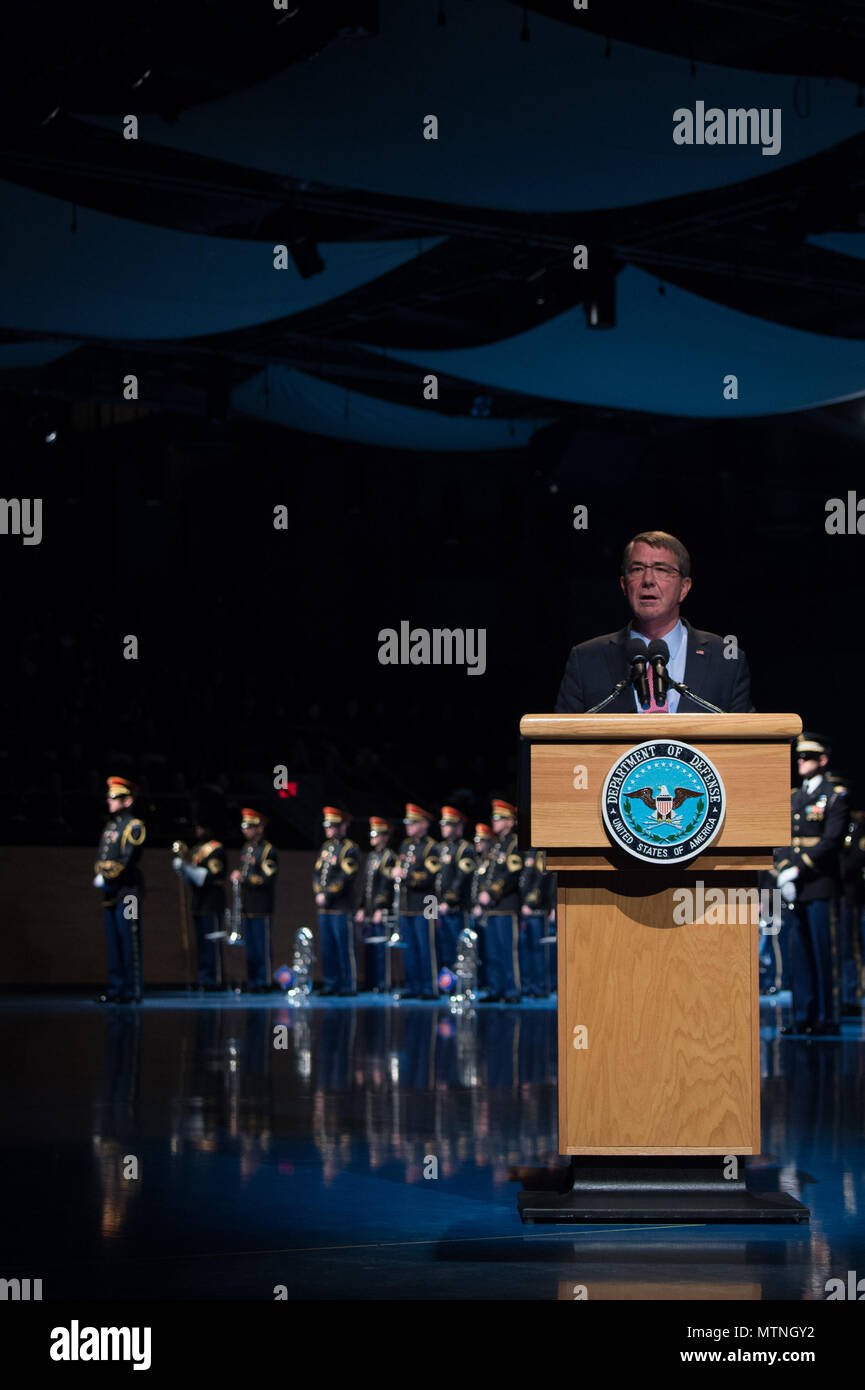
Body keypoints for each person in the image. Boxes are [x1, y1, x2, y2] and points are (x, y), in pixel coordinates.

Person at [554, 530, 751, 713]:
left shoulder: (725, 659)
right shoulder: (586, 659)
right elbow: (559, 742)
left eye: (661, 569)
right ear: (624, 585)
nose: (648, 580)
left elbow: (749, 742)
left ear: (684, 587)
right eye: (637, 569)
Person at [776, 735, 849, 1037]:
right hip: (794, 884)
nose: (801, 761)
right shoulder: (793, 797)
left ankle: (825, 1017)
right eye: (799, 757)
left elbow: (831, 840)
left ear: (823, 761)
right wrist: (782, 869)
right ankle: (801, 1015)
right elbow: (780, 837)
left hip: (819, 882)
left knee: (822, 951)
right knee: (798, 953)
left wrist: (797, 868)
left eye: (807, 757)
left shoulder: (835, 795)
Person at [93, 776, 146, 1004]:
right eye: (109, 797)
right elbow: (102, 857)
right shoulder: (110, 827)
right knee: (113, 942)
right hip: (111, 893)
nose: (110, 801)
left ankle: (132, 989)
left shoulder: (134, 826)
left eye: (115, 797)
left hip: (129, 894)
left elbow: (128, 859)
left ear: (127, 800)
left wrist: (106, 875)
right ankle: (116, 988)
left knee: (129, 940)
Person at [392, 804, 441, 1000]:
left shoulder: (432, 847)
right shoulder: (405, 845)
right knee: (409, 947)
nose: (409, 827)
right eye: (408, 823)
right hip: (407, 903)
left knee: (426, 946)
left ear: (423, 824)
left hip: (427, 902)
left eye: (413, 823)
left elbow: (429, 875)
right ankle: (412, 986)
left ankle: (430, 988)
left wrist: (406, 875)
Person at [478, 799, 523, 1004]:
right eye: (494, 818)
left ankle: (512, 991)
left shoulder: (515, 843)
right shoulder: (497, 846)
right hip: (493, 908)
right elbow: (488, 874)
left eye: (499, 818)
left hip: (506, 905)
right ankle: (496, 989)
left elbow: (513, 875)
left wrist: (492, 893)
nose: (494, 822)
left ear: (510, 821)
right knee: (493, 952)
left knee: (507, 951)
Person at [173, 821, 226, 990]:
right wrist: (183, 870)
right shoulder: (196, 850)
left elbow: (210, 876)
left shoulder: (216, 850)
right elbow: (192, 880)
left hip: (212, 901)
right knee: (201, 944)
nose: (198, 830)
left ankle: (215, 979)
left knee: (212, 943)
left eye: (201, 826)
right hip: (198, 901)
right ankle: (204, 978)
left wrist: (186, 868)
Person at [314, 806, 360, 996]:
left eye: (332, 825)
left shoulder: (350, 849)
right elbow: (317, 873)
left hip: (341, 906)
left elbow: (345, 876)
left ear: (342, 827)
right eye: (327, 825)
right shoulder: (326, 848)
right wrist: (318, 891)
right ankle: (330, 983)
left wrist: (327, 893)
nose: (328, 829)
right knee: (328, 948)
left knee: (344, 947)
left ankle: (349, 985)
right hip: (325, 908)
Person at [231, 808, 278, 994]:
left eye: (250, 826)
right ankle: (253, 981)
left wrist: (245, 878)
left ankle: (264, 981)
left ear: (259, 827)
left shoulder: (268, 851)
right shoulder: (247, 848)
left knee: (262, 946)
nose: (245, 830)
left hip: (261, 905)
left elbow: (267, 878)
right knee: (250, 948)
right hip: (247, 905)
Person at [354, 816, 395, 992]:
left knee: (380, 948)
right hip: (370, 909)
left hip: (381, 910)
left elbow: (386, 885)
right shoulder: (372, 857)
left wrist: (380, 908)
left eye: (377, 834)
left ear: (385, 836)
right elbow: (365, 883)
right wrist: (362, 906)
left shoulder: (388, 857)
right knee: (369, 947)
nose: (373, 838)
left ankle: (382, 982)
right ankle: (370, 981)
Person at [435, 806, 476, 971]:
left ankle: (461, 986)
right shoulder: (441, 848)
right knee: (443, 948)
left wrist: (447, 901)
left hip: (457, 908)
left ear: (458, 827)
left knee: (459, 948)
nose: (444, 827)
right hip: (440, 908)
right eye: (443, 824)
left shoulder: (465, 849)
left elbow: (461, 879)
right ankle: (448, 984)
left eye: (449, 824)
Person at [469, 822, 494, 990]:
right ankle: (483, 982)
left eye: (481, 840)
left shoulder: (492, 862)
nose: (478, 843)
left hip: (488, 911)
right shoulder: (478, 862)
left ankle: (491, 984)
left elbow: (488, 886)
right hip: (476, 912)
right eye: (476, 840)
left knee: (491, 951)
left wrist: (481, 906)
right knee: (480, 951)